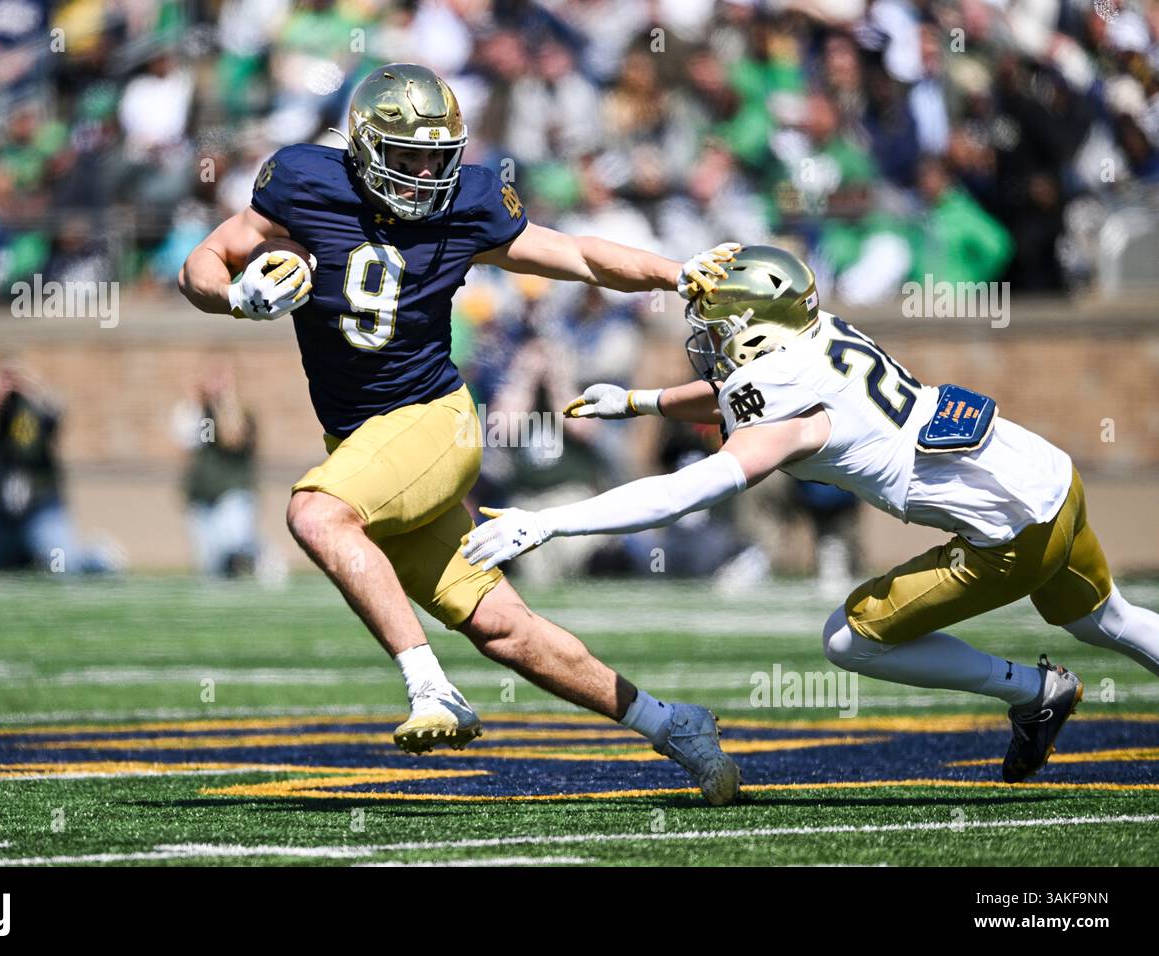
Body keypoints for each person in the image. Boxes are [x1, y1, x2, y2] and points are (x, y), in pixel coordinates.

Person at [177, 63, 743, 804]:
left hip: (436, 424)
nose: (424, 173)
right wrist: (236, 297)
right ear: (364, 147)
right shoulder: (303, 180)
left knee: (316, 512)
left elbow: (576, 255)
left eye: (437, 156)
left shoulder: (469, 203)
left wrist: (677, 273)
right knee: (505, 629)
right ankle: (674, 725)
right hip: (364, 447)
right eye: (407, 155)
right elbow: (202, 263)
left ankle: (430, 688)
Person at [465, 243, 1159, 784]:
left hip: (1012, 530)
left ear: (756, 328)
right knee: (1107, 619)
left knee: (849, 639)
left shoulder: (785, 400)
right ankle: (1041, 690)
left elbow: (690, 487)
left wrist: (553, 521)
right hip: (1048, 475)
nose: (707, 339)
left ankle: (1033, 692)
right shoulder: (818, 331)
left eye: (718, 326)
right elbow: (737, 394)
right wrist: (643, 402)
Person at [0, 355, 112, 573]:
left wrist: (33, 386)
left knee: (66, 567)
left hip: (41, 511)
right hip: (2, 519)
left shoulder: (33, 410)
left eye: (12, 377)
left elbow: (56, 414)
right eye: (2, 378)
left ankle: (98, 558)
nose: (9, 384)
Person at [176, 362, 260, 577]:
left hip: (232, 491)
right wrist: (195, 401)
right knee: (211, 568)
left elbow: (232, 436)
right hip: (202, 495)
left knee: (233, 546)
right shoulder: (199, 414)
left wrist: (226, 399)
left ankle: (262, 557)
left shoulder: (243, 413)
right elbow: (186, 444)